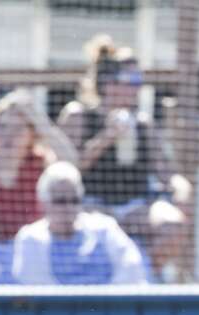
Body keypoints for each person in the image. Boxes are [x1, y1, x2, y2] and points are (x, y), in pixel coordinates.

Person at [57, 34, 191, 280]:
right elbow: (66, 170)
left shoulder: (143, 123)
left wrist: (180, 186)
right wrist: (106, 137)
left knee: (174, 225)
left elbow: (164, 170)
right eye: (130, 80)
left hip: (134, 208)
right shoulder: (78, 116)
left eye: (139, 80)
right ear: (108, 83)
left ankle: (139, 274)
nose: (137, 87)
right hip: (91, 204)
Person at [0, 89, 79, 243]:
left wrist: (42, 123)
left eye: (18, 129)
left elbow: (71, 162)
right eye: (3, 126)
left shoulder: (41, 163)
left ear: (32, 135)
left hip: (37, 250)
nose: (8, 136)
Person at [12, 161, 148, 285]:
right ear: (44, 202)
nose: (68, 207)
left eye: (74, 200)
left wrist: (104, 302)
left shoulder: (104, 228)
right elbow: (33, 286)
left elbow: (132, 267)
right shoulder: (30, 239)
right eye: (60, 201)